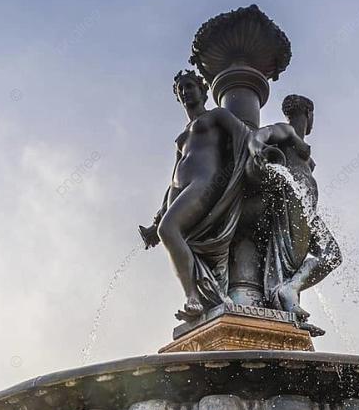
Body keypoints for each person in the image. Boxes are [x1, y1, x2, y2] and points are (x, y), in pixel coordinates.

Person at [139, 70, 251, 320]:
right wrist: (158, 216)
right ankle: (199, 297)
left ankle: (193, 298)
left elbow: (244, 136)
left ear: (203, 90)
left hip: (205, 182)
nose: (186, 91)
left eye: (190, 86)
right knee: (169, 232)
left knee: (168, 231)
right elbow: (173, 175)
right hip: (179, 188)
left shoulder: (217, 116)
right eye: (181, 90)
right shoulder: (182, 136)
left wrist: (261, 152)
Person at [254, 94, 342, 317]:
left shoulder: (306, 156)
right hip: (293, 200)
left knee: (332, 255)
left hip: (306, 208)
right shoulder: (287, 130)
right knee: (292, 259)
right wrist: (257, 152)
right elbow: (259, 135)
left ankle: (290, 289)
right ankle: (287, 295)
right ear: (308, 113)